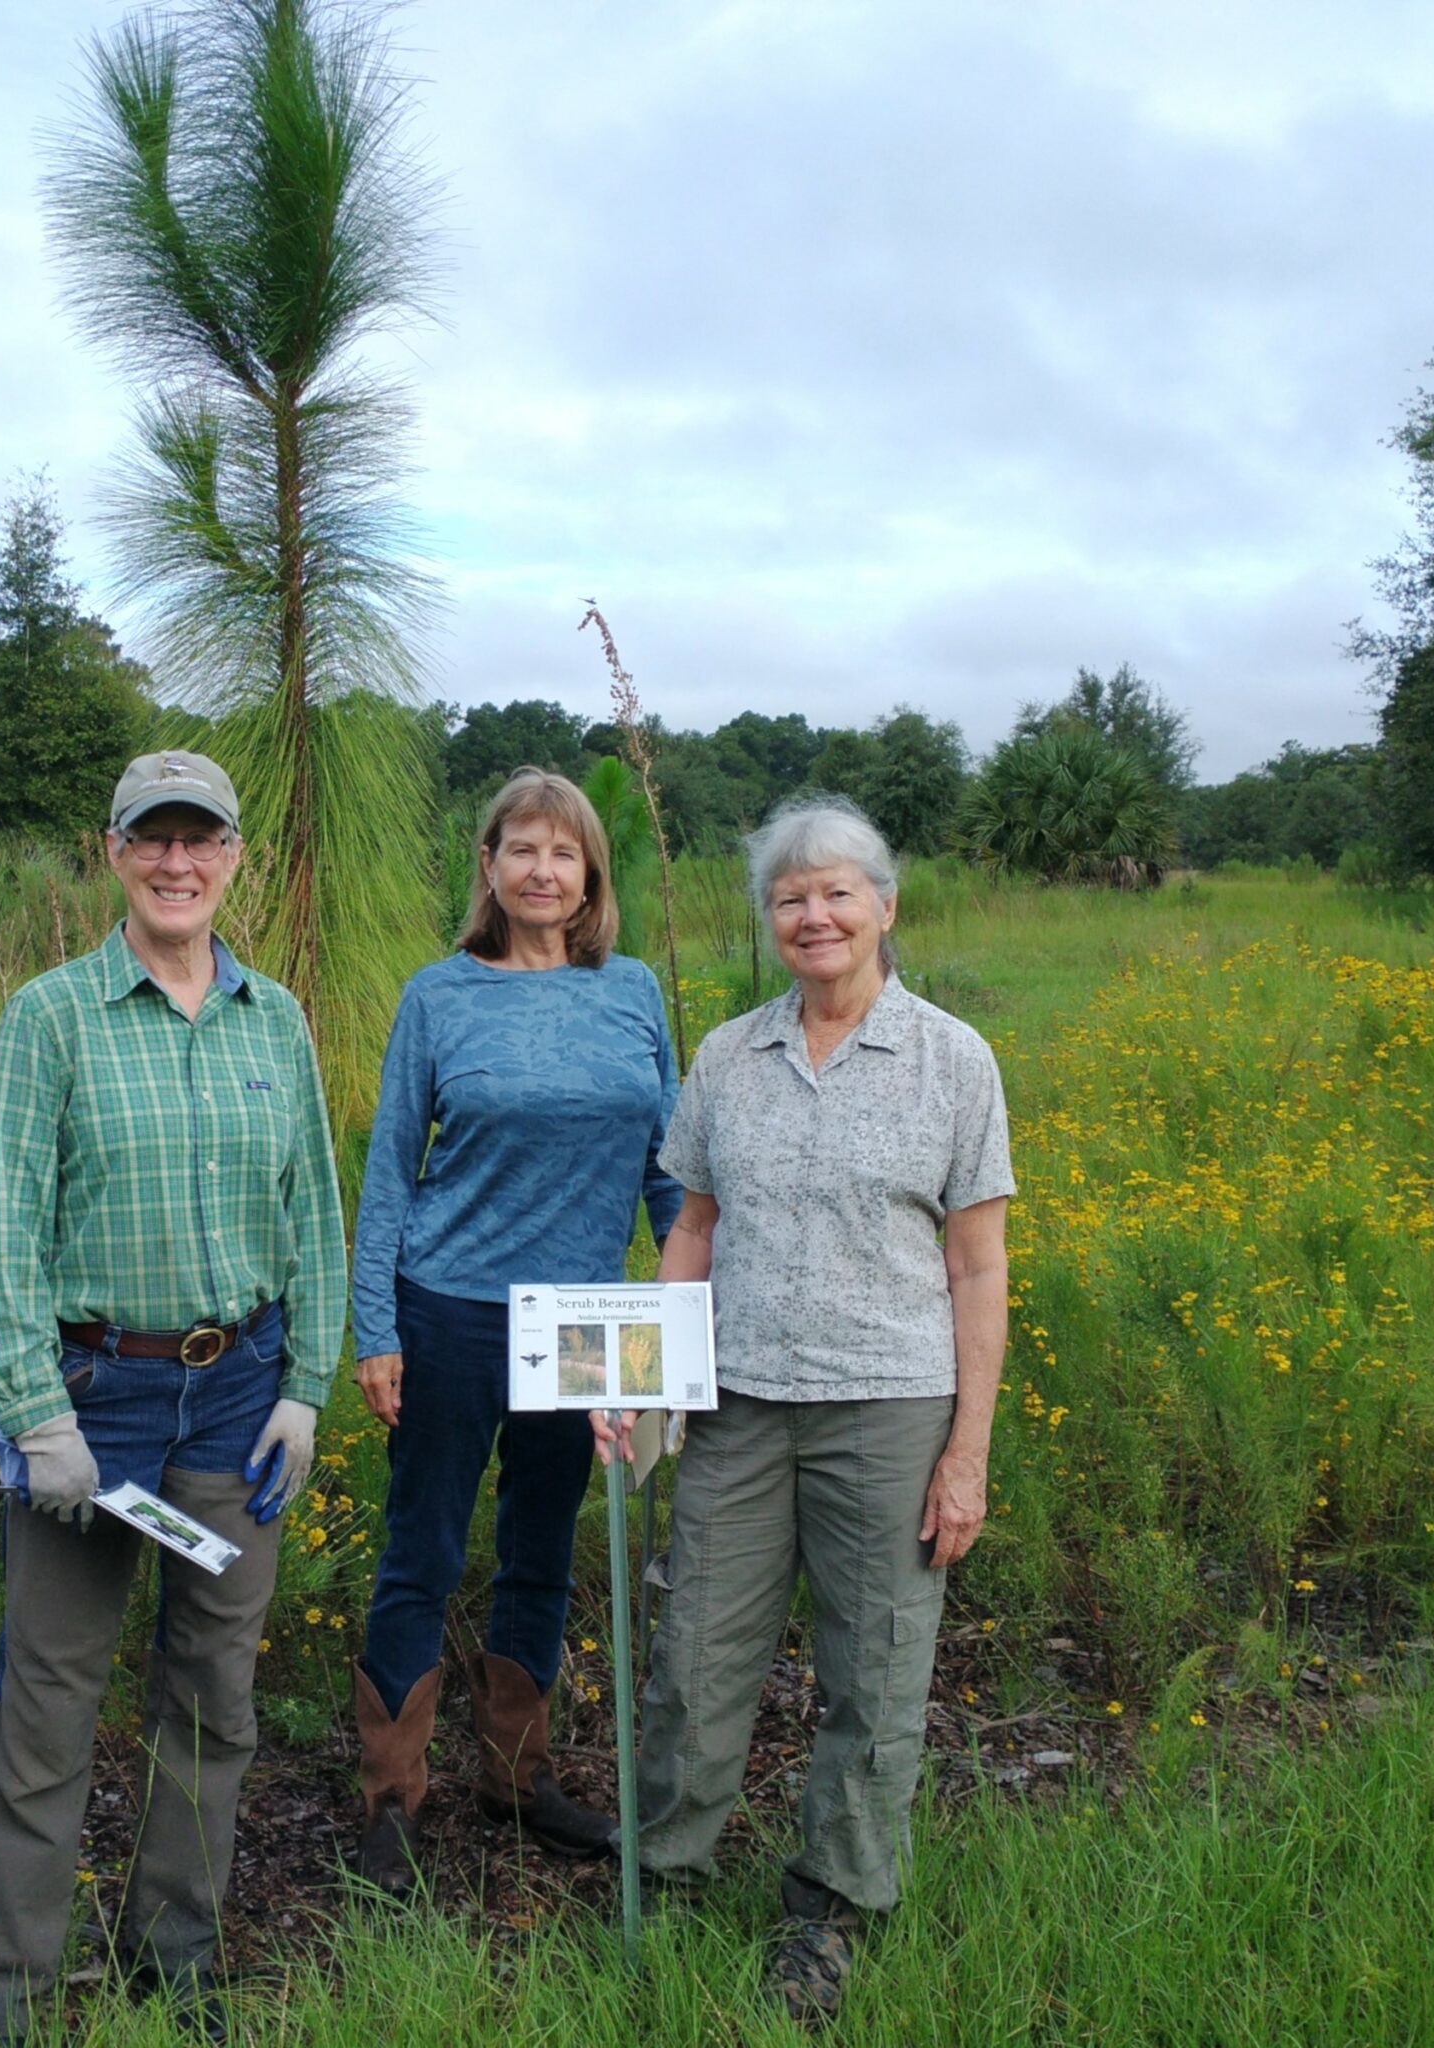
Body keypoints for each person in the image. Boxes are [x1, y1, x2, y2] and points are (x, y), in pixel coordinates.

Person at [0, 751, 347, 2048]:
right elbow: (6, 1233)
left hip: (237, 1405)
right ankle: (4, 1996)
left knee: (212, 1696)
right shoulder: (50, 1016)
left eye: (203, 840)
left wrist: (306, 1388)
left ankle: (171, 1961)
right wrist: (33, 1412)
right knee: (48, 1709)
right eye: (151, 839)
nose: (178, 864)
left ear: (238, 859)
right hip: (93, 1399)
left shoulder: (273, 1020)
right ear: (110, 851)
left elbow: (316, 1216)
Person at [595, 795, 1014, 2028]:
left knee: (875, 1668)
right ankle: (661, 1876)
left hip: (888, 1411)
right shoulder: (730, 1055)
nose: (813, 914)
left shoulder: (952, 1059)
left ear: (885, 905)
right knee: (694, 1657)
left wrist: (966, 1454)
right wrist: (640, 1383)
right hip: (734, 1405)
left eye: (837, 892)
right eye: (789, 897)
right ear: (768, 920)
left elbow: (977, 1266)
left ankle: (829, 1907)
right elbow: (692, 1227)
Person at [348, 767, 684, 1893]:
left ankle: (516, 1777)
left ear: (591, 875)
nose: (543, 871)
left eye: (566, 853)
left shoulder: (632, 990)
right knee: (425, 1550)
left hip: (590, 1318)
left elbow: (669, 1170)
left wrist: (677, 1326)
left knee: (543, 1549)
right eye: (521, 850)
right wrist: (375, 1324)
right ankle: (392, 1797)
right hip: (449, 1308)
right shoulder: (438, 996)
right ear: (488, 866)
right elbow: (391, 1165)